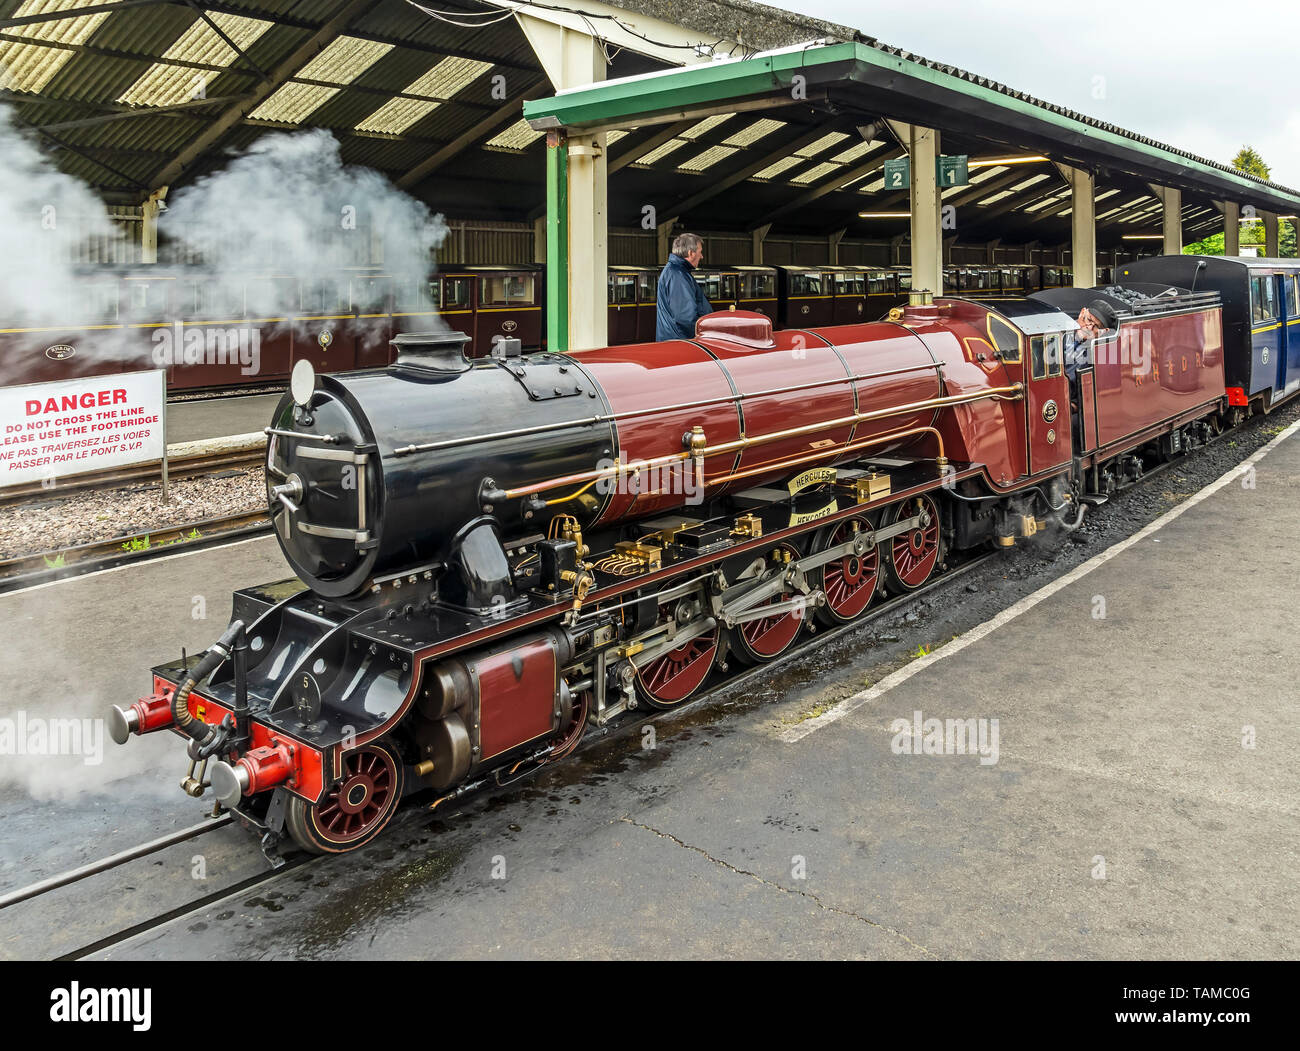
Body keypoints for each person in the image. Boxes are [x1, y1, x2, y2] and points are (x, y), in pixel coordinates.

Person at [655, 233, 713, 341]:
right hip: (681, 343)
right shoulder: (677, 275)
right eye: (700, 252)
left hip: (677, 340)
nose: (702, 256)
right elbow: (685, 317)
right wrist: (708, 333)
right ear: (691, 253)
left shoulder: (678, 272)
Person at [1064, 299, 1118, 378]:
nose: (1089, 327)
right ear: (1082, 312)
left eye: (1096, 326)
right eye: (1088, 319)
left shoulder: (1095, 355)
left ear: (1104, 332)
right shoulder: (1059, 330)